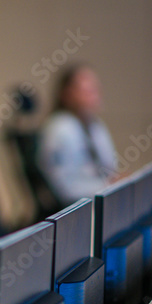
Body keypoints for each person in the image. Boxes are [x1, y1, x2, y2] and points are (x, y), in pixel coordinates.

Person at [39, 64, 118, 206]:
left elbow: (110, 169)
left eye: (95, 90)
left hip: (99, 203)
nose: (94, 96)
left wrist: (115, 183)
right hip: (76, 212)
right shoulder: (60, 129)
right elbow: (66, 189)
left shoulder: (95, 125)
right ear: (67, 94)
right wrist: (108, 186)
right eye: (87, 91)